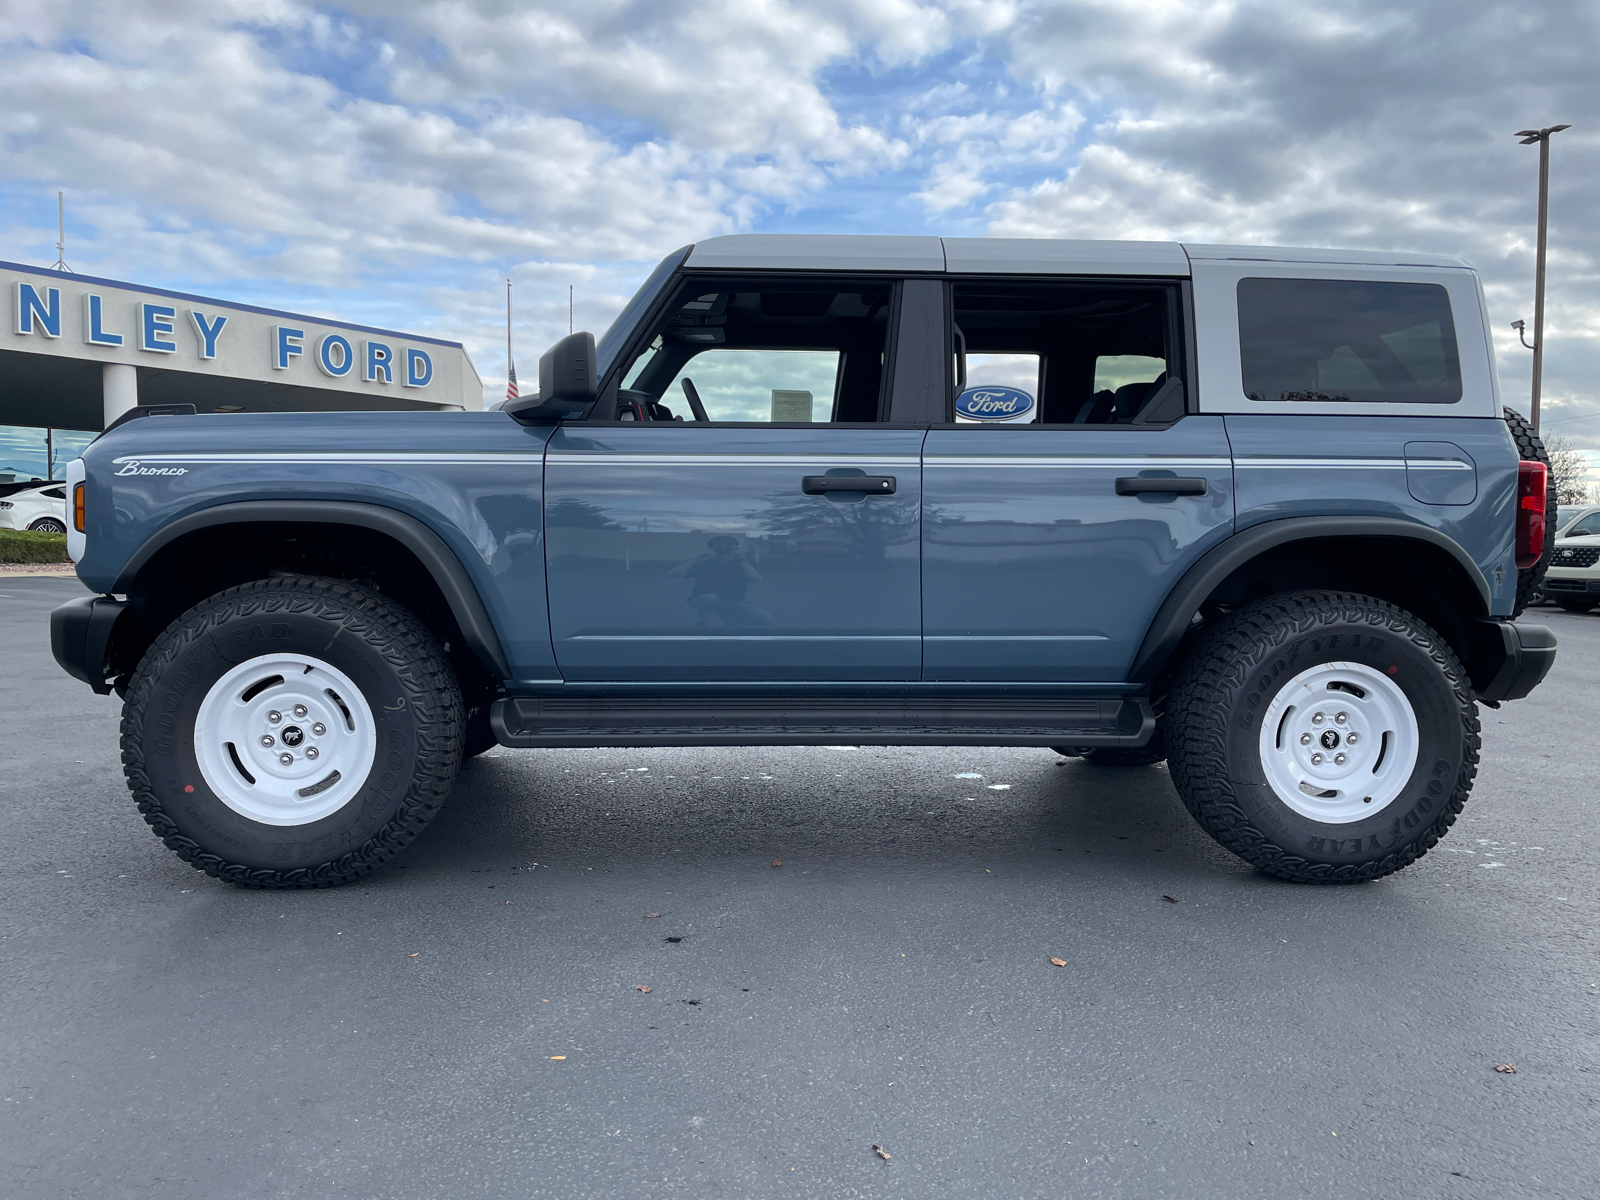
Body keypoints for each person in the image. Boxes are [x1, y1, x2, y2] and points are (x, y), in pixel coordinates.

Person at [668, 535, 772, 627]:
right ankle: (703, 623)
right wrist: (699, 557)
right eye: (719, 548)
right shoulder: (703, 564)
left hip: (733, 602)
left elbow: (756, 579)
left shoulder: (742, 564)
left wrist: (742, 558)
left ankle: (730, 620)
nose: (723, 551)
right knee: (712, 598)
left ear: (735, 549)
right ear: (712, 550)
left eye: (728, 548)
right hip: (703, 599)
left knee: (767, 620)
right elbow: (672, 574)